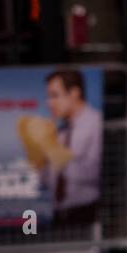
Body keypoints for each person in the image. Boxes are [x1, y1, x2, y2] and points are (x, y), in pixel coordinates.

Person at [43, 69, 103, 226]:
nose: (49, 103)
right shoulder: (61, 132)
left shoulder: (96, 124)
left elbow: (95, 173)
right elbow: (49, 178)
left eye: (55, 95)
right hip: (58, 213)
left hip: (86, 212)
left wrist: (58, 155)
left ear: (74, 93)